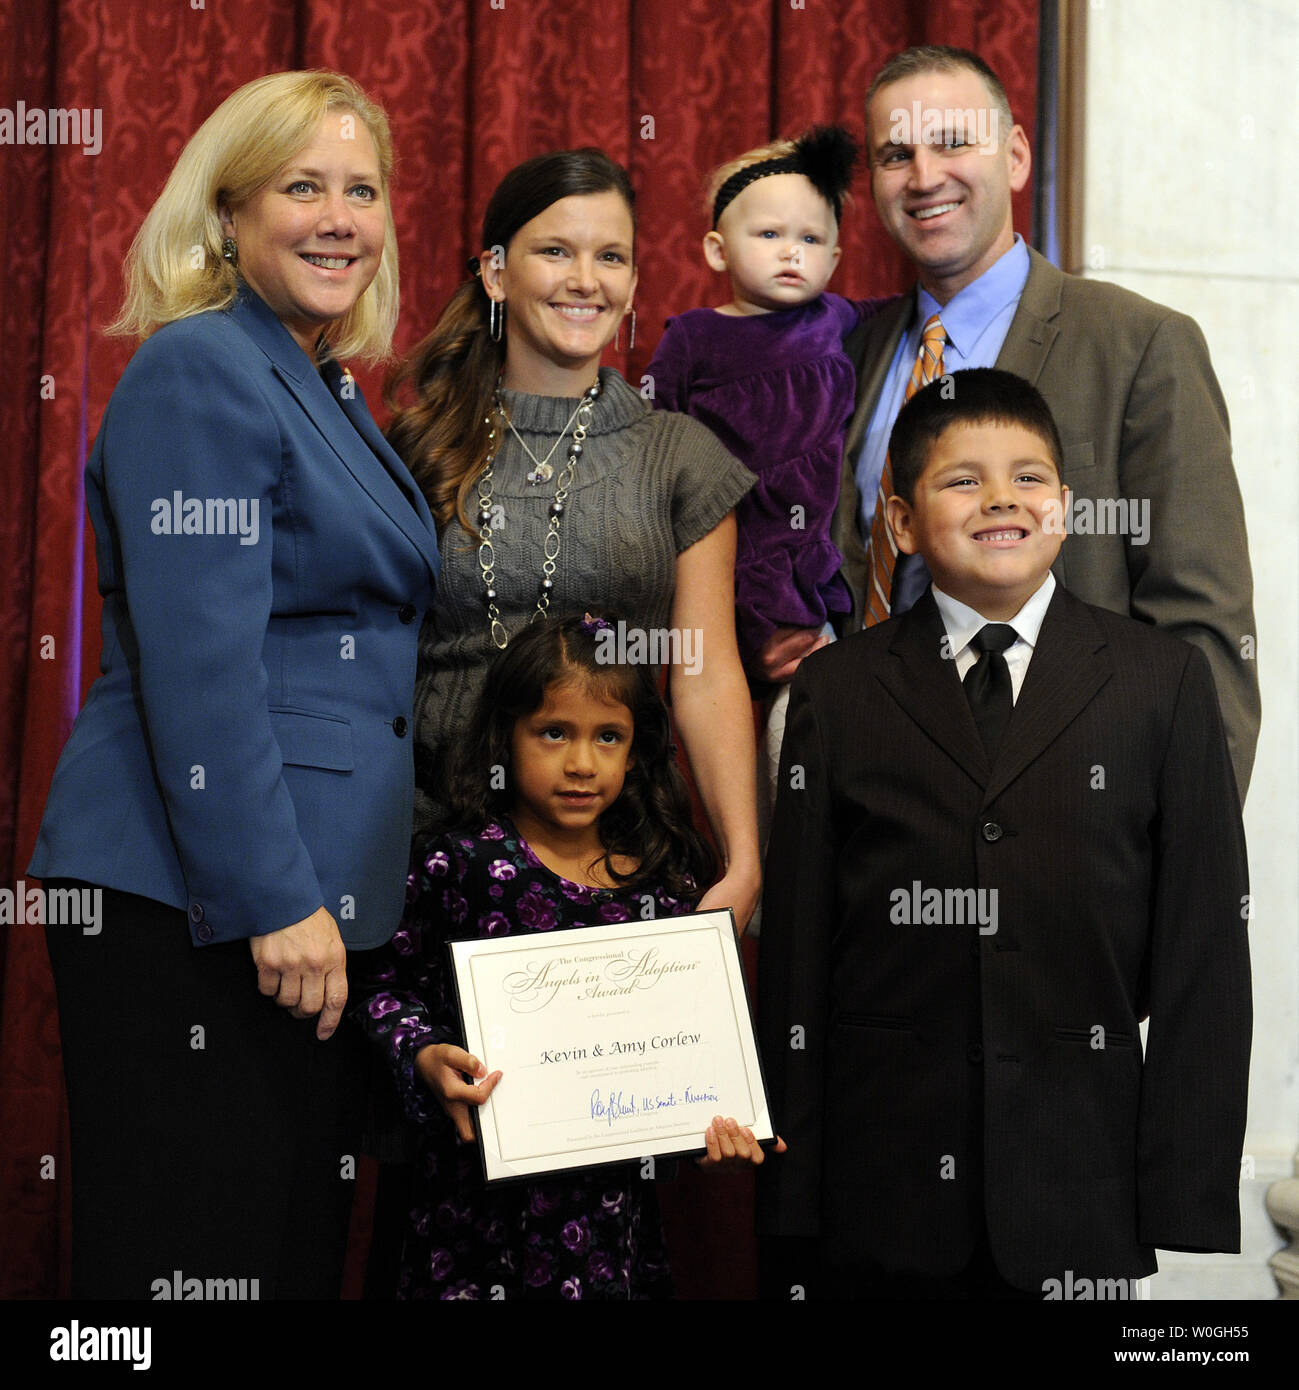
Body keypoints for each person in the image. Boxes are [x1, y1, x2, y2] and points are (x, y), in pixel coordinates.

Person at [28, 71, 439, 1299]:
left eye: (361, 191)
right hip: (197, 900)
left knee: (270, 1252)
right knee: (183, 1258)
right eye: (301, 188)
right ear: (227, 215)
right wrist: (273, 896)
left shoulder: (318, 381)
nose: (339, 218)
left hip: (286, 897)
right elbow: (201, 669)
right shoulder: (203, 366)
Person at [757, 368, 1252, 1298]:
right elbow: (796, 947)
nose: (1000, 502)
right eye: (961, 480)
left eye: (1028, 479)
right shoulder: (838, 690)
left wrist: (1179, 1185)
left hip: (1079, 1181)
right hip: (882, 1183)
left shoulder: (1162, 681)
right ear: (900, 522)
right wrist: (791, 1174)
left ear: (1064, 507)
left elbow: (1204, 949)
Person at [820, 44, 1259, 801]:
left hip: (1075, 829)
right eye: (896, 154)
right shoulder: (842, 355)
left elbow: (1203, 637)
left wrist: (1182, 854)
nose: (924, 176)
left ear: (1016, 155)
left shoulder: (1139, 345)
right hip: (879, 815)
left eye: (953, 141)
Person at [353, 614, 780, 1299]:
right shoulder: (455, 861)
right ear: (505, 735)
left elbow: (690, 1056)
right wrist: (423, 1053)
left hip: (609, 1226)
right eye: (554, 733)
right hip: (469, 1217)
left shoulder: (663, 891)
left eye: (607, 737)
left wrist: (719, 1132)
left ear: (636, 750)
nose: (582, 763)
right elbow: (382, 984)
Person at [387, 147, 761, 929]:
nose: (585, 279)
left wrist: (742, 854)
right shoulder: (414, 447)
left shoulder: (681, 457)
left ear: (632, 284)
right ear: (495, 273)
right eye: (554, 250)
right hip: (430, 853)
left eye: (611, 256)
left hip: (617, 860)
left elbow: (704, 673)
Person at [645, 128, 886, 853]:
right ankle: (728, 862)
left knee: (801, 743)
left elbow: (913, 319)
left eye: (812, 239)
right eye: (770, 233)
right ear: (718, 250)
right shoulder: (692, 336)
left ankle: (788, 882)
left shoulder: (839, 320)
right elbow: (653, 433)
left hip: (810, 563)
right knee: (713, 735)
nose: (792, 252)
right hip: (727, 558)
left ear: (837, 259)